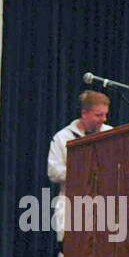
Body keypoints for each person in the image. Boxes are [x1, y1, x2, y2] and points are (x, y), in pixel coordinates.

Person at [47, 89, 113, 238]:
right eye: (99, 115)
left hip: (104, 203)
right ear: (84, 113)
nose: (104, 119)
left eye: (105, 114)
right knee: (69, 250)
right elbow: (53, 172)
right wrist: (81, 171)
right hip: (70, 202)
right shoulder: (62, 138)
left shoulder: (112, 134)